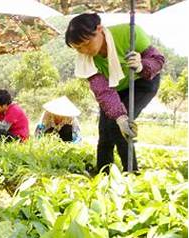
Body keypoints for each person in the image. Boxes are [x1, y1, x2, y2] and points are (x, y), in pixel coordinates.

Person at [66, 13, 164, 172]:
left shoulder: (130, 34)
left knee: (117, 128)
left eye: (86, 43)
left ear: (99, 29)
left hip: (141, 83)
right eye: (78, 48)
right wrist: (120, 116)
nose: (84, 50)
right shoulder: (85, 59)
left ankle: (131, 173)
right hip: (113, 90)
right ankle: (103, 171)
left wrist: (141, 66)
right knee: (105, 129)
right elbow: (103, 91)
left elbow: (158, 60)